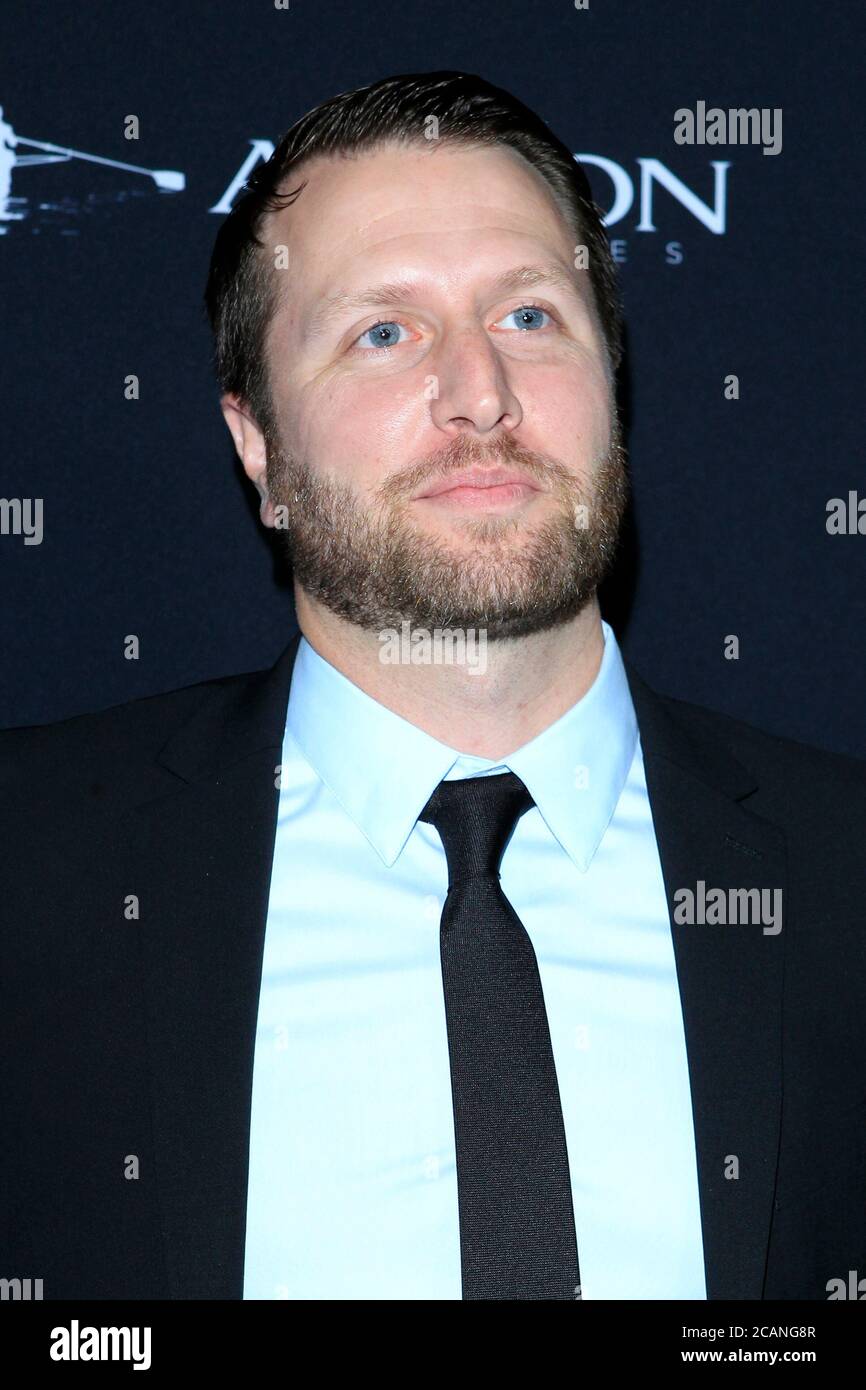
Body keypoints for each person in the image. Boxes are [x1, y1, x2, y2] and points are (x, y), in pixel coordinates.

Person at [2, 71, 865, 1302]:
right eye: (384, 332)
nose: (480, 396)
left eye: (527, 316)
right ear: (257, 445)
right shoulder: (34, 868)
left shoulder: (841, 881)